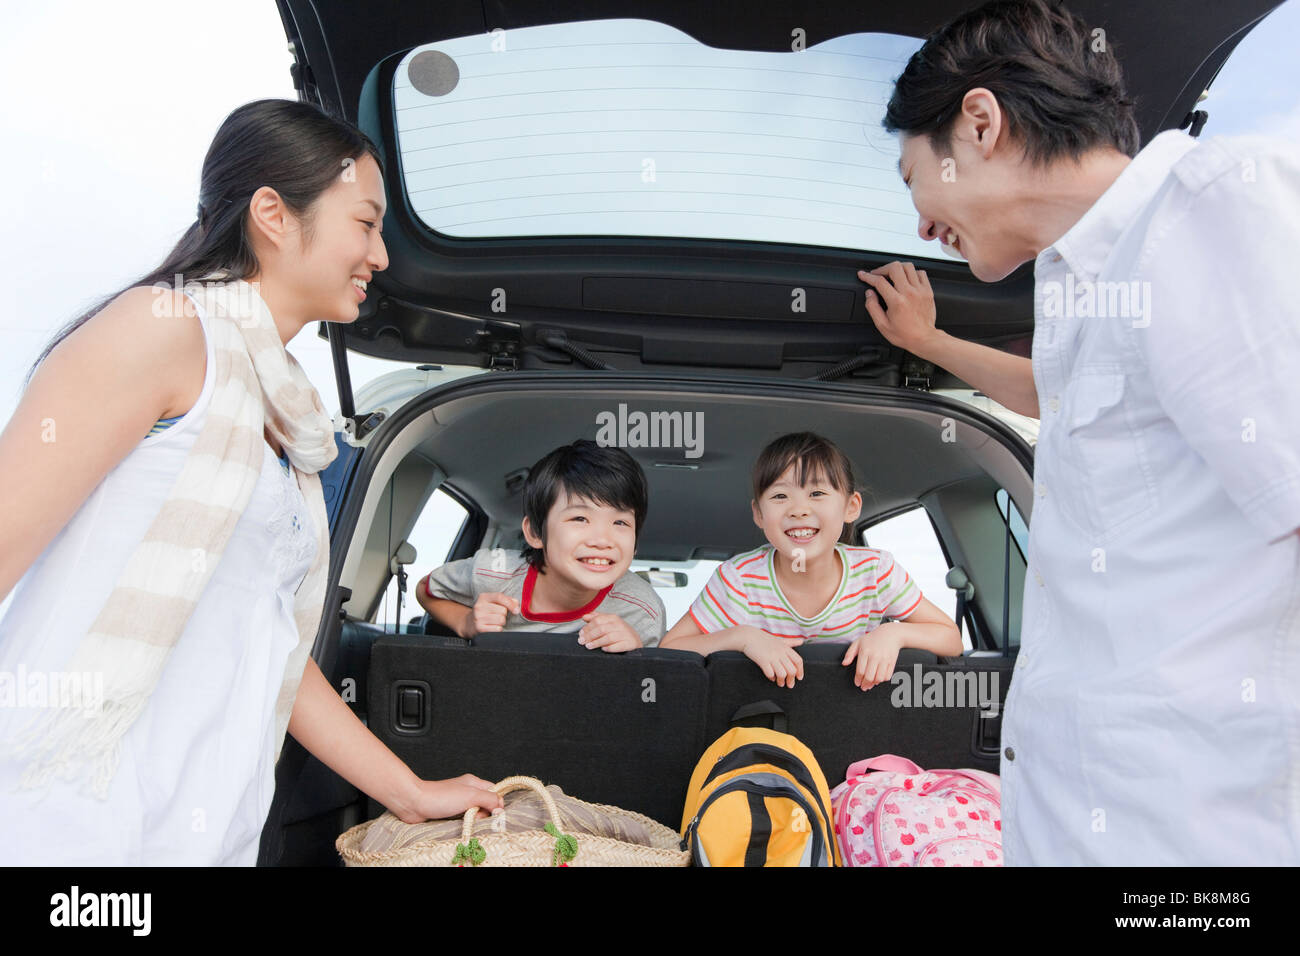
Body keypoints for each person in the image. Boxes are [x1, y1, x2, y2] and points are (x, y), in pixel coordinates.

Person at [0, 99, 501, 866]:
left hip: (198, 828)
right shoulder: (165, 328)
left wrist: (409, 793)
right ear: (273, 213)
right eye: (366, 224)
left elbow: (271, 645)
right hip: (66, 818)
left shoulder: (284, 409)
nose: (383, 256)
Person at [859, 0, 1300, 864]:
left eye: (914, 178)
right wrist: (930, 344)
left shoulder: (1203, 211)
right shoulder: (1075, 280)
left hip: (1192, 840)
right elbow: (1064, 397)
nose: (918, 224)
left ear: (979, 122)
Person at [660, 432, 961, 686]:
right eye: (780, 496)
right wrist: (742, 638)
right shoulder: (738, 580)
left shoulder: (875, 572)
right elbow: (670, 649)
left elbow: (951, 639)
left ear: (851, 507)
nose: (799, 509)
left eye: (816, 493)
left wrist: (894, 633)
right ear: (759, 514)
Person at [417, 440, 665, 650]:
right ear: (535, 532)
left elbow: (656, 691)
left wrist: (637, 654)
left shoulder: (642, 610)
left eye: (620, 522)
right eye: (580, 518)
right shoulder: (492, 572)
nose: (602, 540)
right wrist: (466, 622)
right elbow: (425, 590)